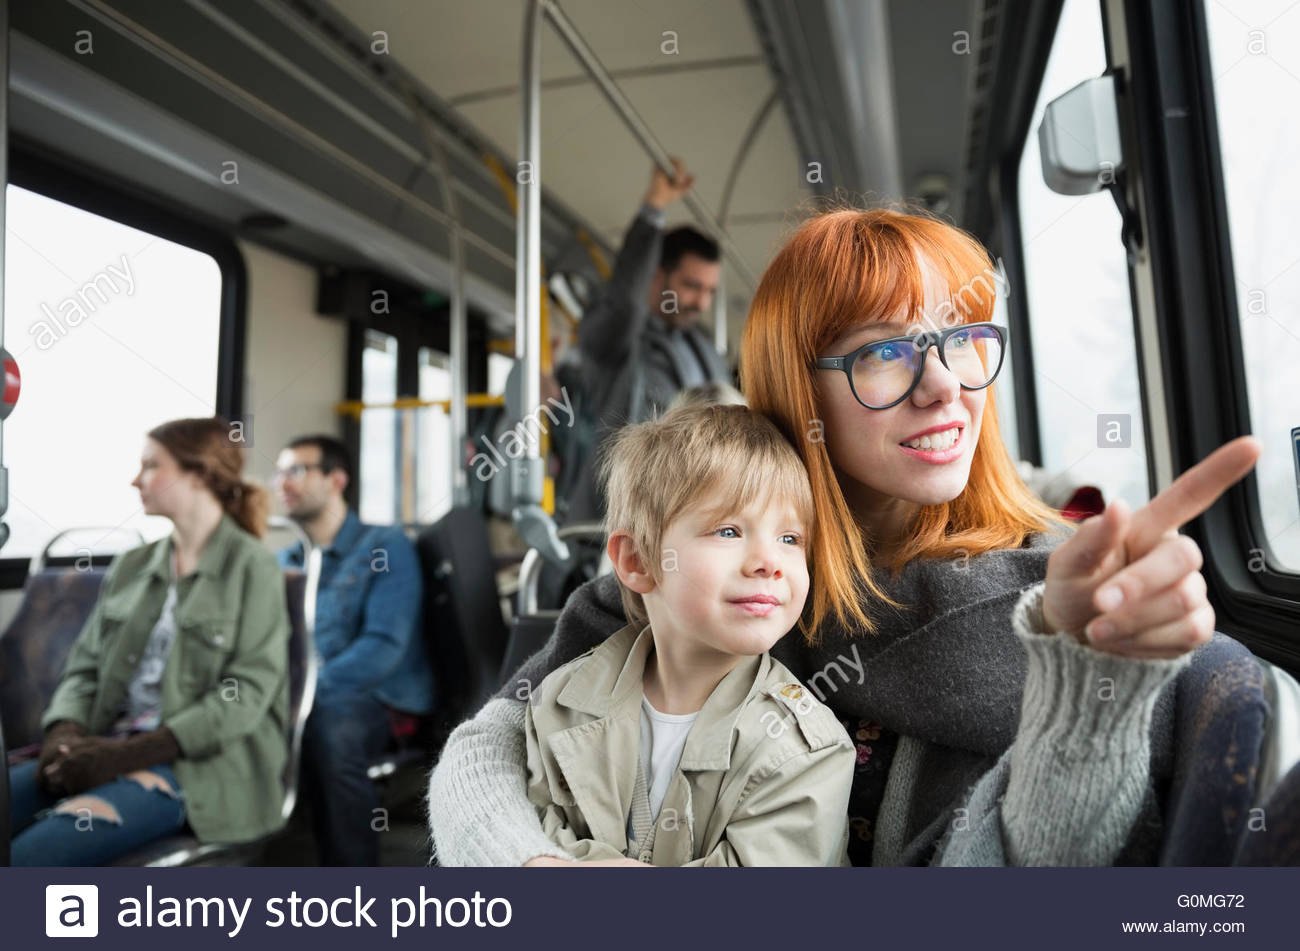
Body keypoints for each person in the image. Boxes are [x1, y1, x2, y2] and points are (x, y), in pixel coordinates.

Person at [427, 206, 1265, 868]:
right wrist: (537, 868)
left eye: (964, 341)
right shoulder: (697, 574)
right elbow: (490, 746)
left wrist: (1092, 675)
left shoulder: (1055, 595)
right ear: (800, 393)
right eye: (886, 354)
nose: (944, 388)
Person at [522, 403, 854, 866]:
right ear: (638, 561)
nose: (769, 562)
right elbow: (526, 833)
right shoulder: (560, 705)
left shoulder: (806, 751)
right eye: (728, 530)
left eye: (790, 539)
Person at [7, 417, 289, 865]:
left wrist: (128, 755)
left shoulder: (253, 568)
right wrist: (65, 734)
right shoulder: (133, 566)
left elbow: (246, 695)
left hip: (195, 766)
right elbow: (83, 668)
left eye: (151, 466)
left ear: (199, 474)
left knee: (28, 860)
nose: (135, 479)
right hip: (102, 745)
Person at [274, 434, 432, 866]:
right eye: (280, 473)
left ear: (336, 479)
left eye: (297, 471)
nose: (283, 483)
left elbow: (384, 647)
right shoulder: (284, 562)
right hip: (304, 693)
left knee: (330, 726)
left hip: (379, 697)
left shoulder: (384, 546)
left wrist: (301, 697)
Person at [558, 159, 734, 522]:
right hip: (618, 524)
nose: (701, 302)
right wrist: (653, 209)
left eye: (710, 291)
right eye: (691, 286)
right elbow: (624, 303)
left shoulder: (706, 354)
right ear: (656, 277)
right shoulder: (620, 344)